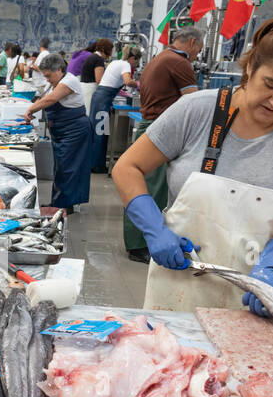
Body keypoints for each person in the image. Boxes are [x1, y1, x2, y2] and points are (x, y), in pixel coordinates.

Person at [112, 9, 273, 316]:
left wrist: (271, 268)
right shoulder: (197, 110)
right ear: (249, 69)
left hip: (258, 293)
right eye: (270, 84)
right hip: (179, 282)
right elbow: (128, 167)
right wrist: (154, 228)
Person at [122, 26, 204, 261]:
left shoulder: (161, 57)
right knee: (150, 190)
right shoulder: (180, 63)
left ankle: (137, 242)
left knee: (142, 185)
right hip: (162, 130)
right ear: (191, 43)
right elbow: (194, 102)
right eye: (198, 48)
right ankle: (140, 245)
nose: (198, 53)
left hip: (152, 125)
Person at [24, 51, 90, 216]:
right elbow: (44, 97)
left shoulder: (70, 81)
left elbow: (50, 100)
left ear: (60, 69)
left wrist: (31, 109)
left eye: (49, 75)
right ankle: (60, 203)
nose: (47, 79)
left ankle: (63, 206)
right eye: (44, 76)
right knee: (62, 167)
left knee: (68, 168)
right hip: (62, 131)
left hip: (74, 130)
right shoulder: (54, 82)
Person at [90, 45, 140, 175]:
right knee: (100, 133)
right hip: (102, 100)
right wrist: (141, 84)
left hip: (100, 98)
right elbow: (128, 81)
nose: (136, 64)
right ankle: (96, 166)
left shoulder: (116, 62)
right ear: (132, 58)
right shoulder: (126, 65)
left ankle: (97, 164)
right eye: (136, 61)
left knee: (101, 132)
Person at [79, 37, 112, 118]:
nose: (111, 53)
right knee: (90, 115)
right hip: (90, 90)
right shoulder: (98, 59)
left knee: (86, 113)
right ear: (104, 49)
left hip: (84, 88)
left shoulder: (92, 57)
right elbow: (99, 80)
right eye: (110, 50)